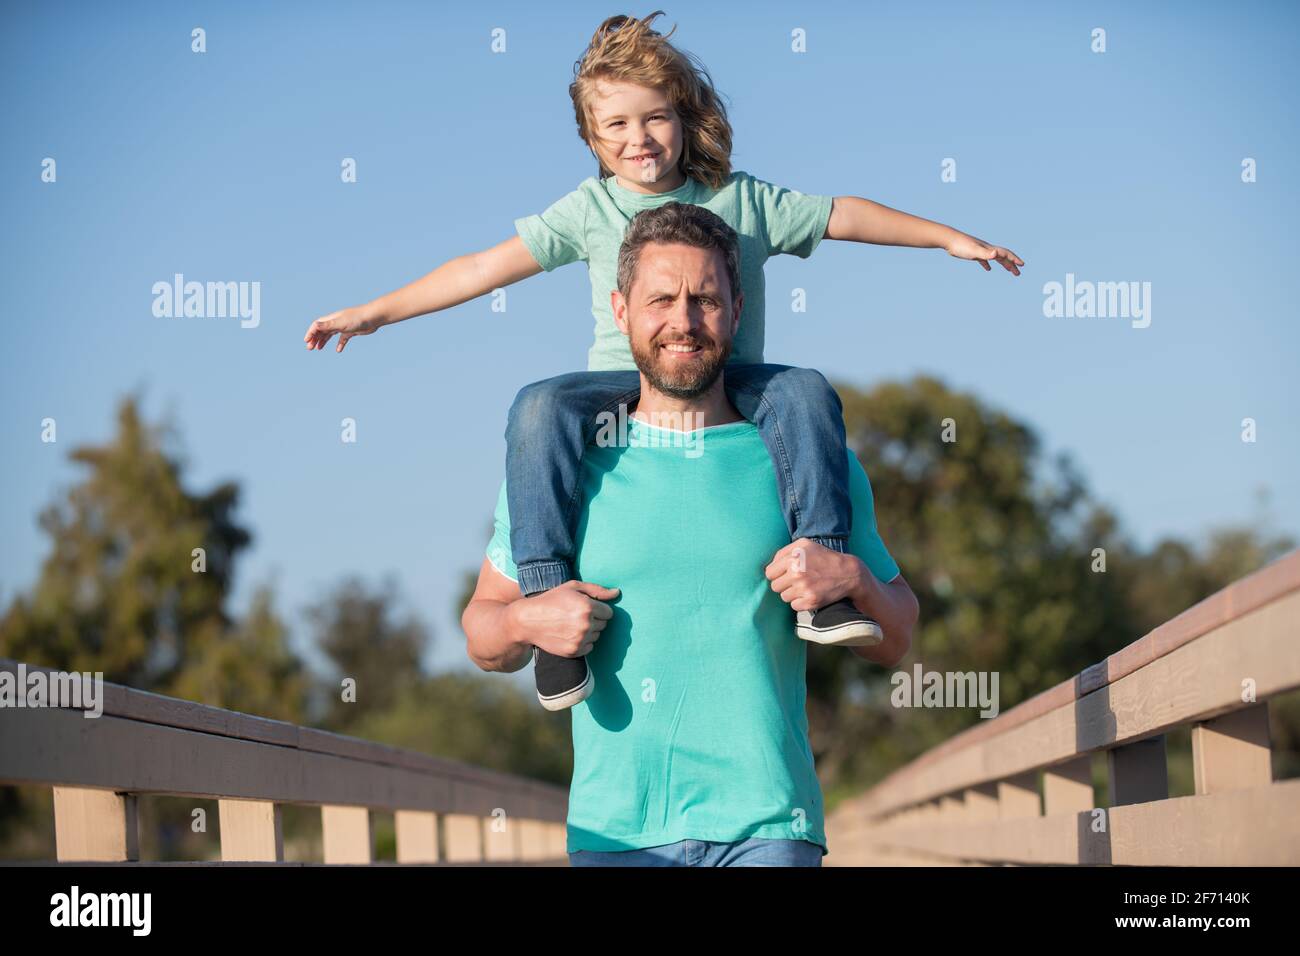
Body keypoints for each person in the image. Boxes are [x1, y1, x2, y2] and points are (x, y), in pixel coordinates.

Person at [304, 11, 1018, 711]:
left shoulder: (740, 200)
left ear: (683, 115)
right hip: (622, 386)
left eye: (654, 118)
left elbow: (846, 215)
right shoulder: (588, 210)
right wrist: (373, 313)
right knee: (538, 406)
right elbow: (480, 269)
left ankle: (823, 580)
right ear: (590, 135)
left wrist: (949, 239)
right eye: (615, 125)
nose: (638, 139)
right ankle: (550, 599)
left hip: (728, 377)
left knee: (804, 390)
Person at [462, 202, 918, 866]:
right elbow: (482, 636)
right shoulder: (557, 470)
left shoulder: (812, 462)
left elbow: (898, 635)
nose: (684, 321)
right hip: (615, 834)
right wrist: (529, 621)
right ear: (620, 313)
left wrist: (852, 580)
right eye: (662, 299)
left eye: (705, 299)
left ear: (737, 309)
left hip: (770, 825)